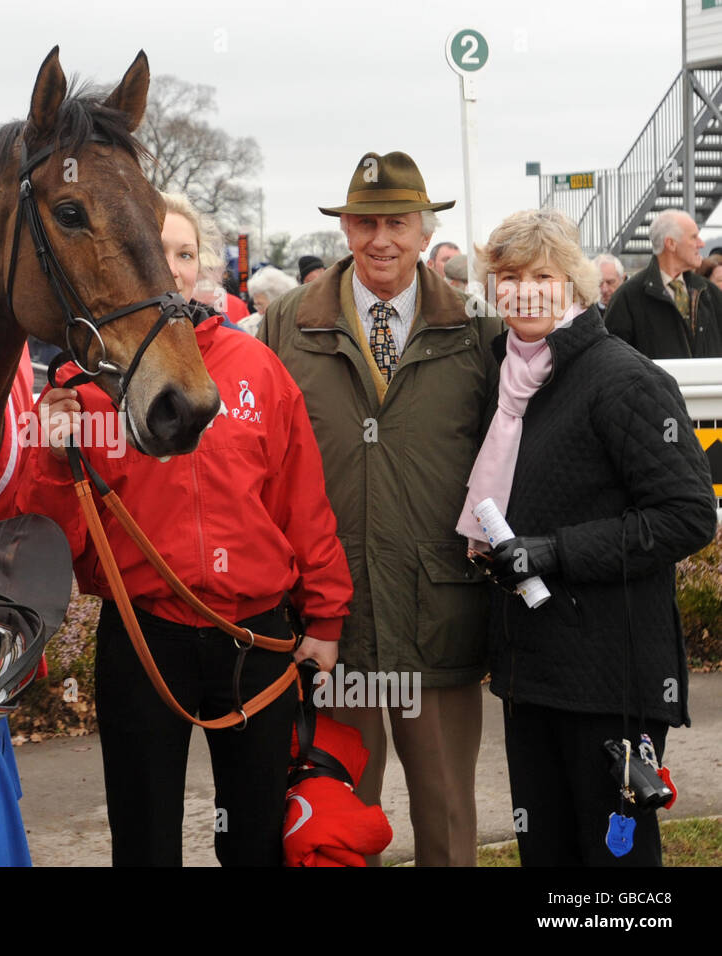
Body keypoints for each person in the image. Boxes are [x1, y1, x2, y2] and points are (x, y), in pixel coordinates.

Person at [18, 190, 353, 866]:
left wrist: (325, 621)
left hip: (255, 636)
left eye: (184, 253)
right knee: (144, 844)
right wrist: (53, 453)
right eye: (153, 252)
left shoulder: (259, 368)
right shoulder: (85, 388)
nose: (169, 267)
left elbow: (303, 505)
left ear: (202, 266)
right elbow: (56, 542)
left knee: (254, 840)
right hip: (144, 638)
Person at [259, 150, 504, 867]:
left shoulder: (477, 329)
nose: (381, 240)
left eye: (397, 222)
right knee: (332, 820)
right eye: (365, 223)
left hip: (441, 616)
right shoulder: (283, 325)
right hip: (332, 624)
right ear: (346, 231)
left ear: (425, 233)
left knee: (450, 819)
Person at [458, 209, 715, 866]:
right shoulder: (513, 378)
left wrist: (556, 550)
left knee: (614, 862)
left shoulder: (622, 378)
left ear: (572, 283)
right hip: (532, 662)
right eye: (509, 276)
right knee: (546, 852)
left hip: (610, 671)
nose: (524, 290)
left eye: (541, 274)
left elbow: (687, 515)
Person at [605, 209, 722, 358]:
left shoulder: (709, 292)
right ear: (671, 244)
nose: (701, 243)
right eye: (694, 237)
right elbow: (614, 361)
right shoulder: (627, 298)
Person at [243, 265, 296, 337]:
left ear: (279, 303)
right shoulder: (246, 327)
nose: (259, 312)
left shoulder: (296, 326)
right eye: (256, 305)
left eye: (261, 305)